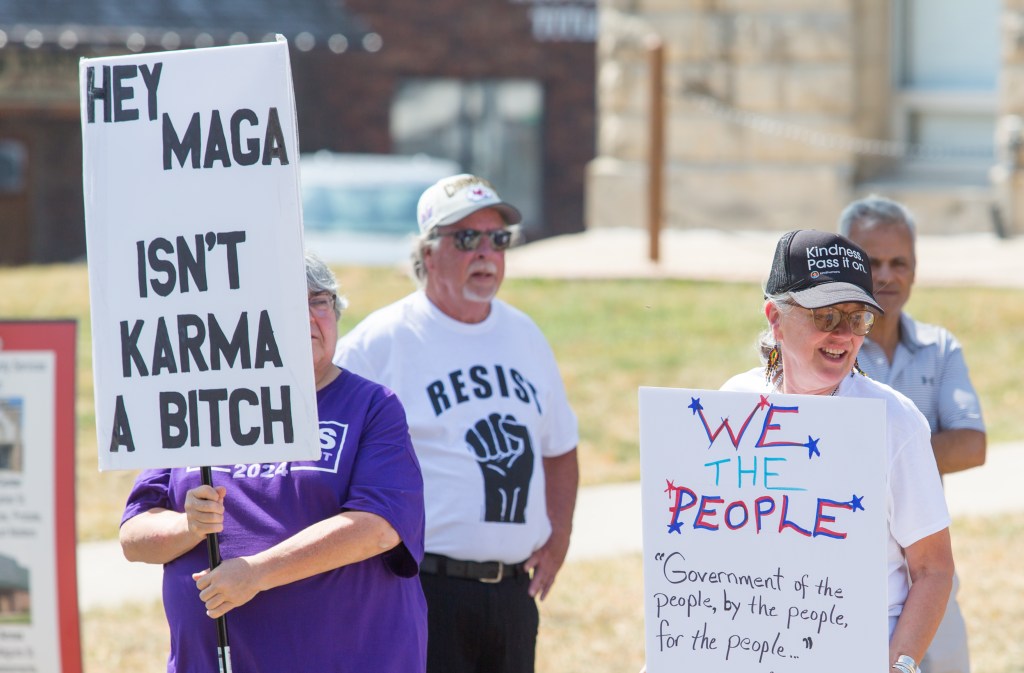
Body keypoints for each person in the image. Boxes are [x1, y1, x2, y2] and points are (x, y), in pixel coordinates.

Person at [119, 253, 427, 673]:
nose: (308, 316)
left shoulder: (371, 406)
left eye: (320, 301)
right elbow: (134, 536)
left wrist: (256, 573)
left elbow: (379, 528)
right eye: (286, 302)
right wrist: (188, 526)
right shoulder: (202, 406)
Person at [334, 174, 579, 673]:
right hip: (419, 588)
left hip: (511, 594)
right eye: (466, 239)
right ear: (426, 255)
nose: (486, 252)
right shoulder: (379, 342)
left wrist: (558, 539)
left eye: (498, 238)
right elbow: (329, 455)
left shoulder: (524, 334)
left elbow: (561, 446)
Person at [721, 229, 954, 673]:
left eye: (858, 318)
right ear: (775, 317)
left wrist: (898, 666)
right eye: (826, 317)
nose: (844, 335)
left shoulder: (894, 422)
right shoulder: (733, 406)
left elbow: (933, 570)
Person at [840, 196, 986, 673]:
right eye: (869, 262)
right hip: (844, 564)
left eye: (898, 262)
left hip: (927, 563)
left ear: (916, 270)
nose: (884, 276)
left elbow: (971, 443)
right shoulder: (829, 349)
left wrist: (882, 455)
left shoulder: (938, 348)